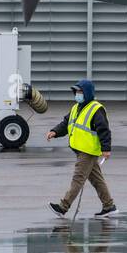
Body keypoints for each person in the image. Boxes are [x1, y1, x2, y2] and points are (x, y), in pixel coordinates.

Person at [46, 79, 117, 218]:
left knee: (78, 179)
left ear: (88, 93)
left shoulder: (96, 109)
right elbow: (66, 123)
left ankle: (63, 207)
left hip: (88, 152)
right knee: (97, 180)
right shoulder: (76, 107)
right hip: (81, 150)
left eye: (80, 92)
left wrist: (106, 149)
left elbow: (104, 130)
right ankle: (109, 206)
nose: (77, 94)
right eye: (76, 92)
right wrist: (54, 132)